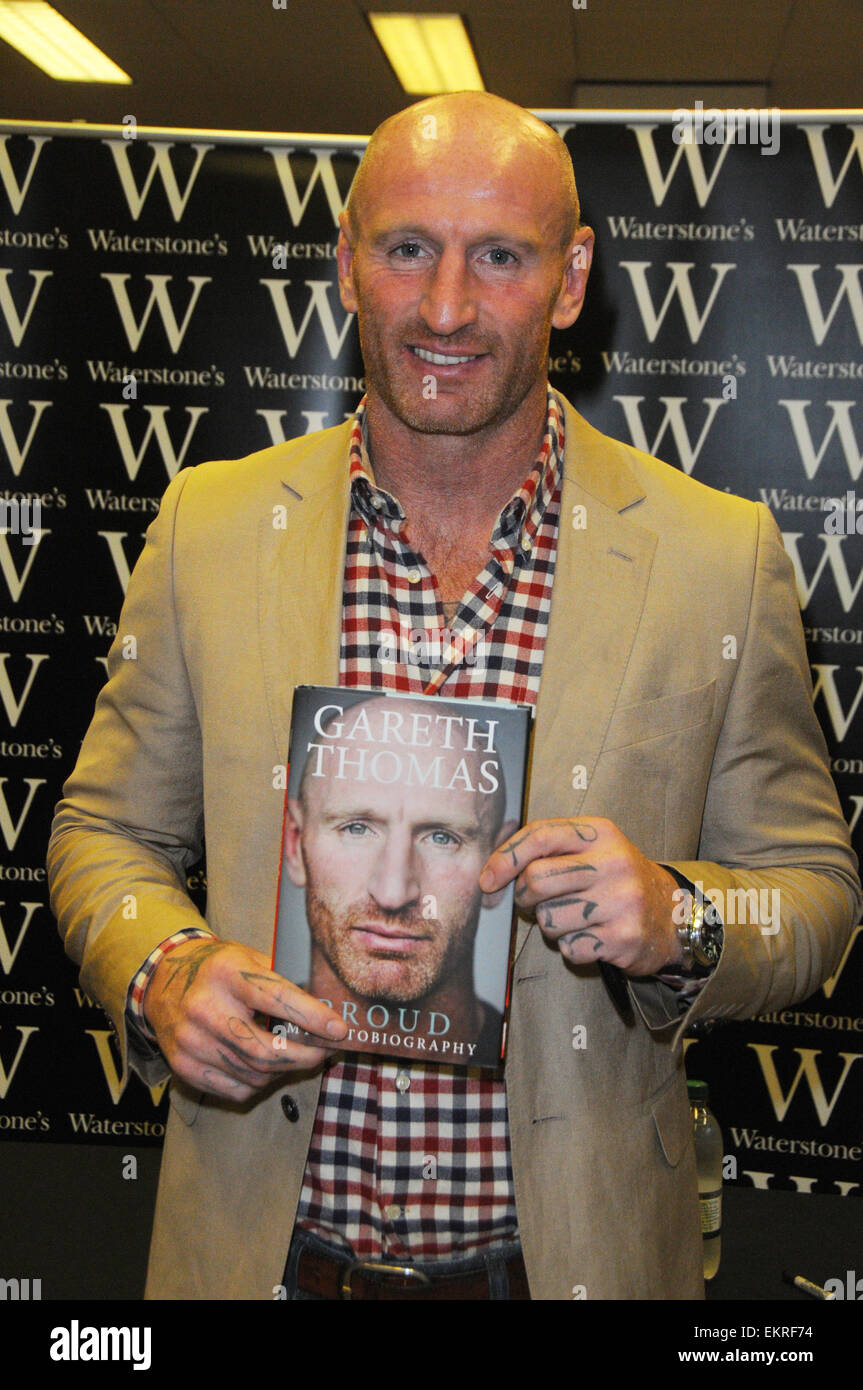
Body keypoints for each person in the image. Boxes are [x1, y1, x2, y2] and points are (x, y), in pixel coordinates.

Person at [47, 91, 860, 1301]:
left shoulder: (714, 558)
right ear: (345, 261)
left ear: (571, 276)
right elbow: (100, 831)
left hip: (565, 1268)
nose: (444, 308)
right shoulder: (210, 525)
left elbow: (816, 892)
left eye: (498, 257)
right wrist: (160, 965)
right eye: (407, 249)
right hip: (259, 1262)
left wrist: (678, 916)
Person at [278, 692, 516, 1061]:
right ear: (294, 844)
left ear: (500, 864)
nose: (392, 894)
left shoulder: (532, 1066)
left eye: (442, 838)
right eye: (356, 829)